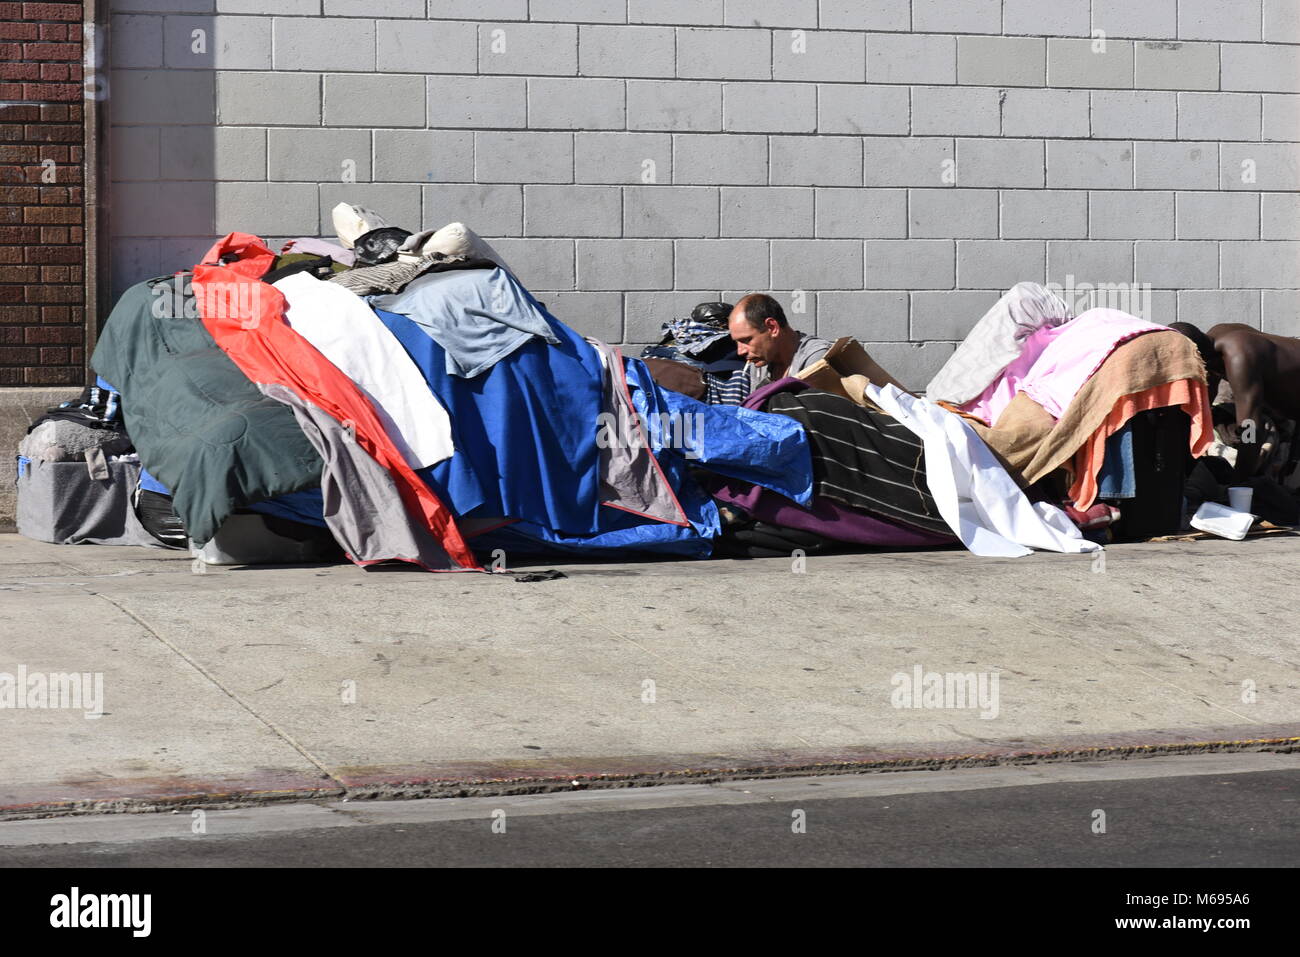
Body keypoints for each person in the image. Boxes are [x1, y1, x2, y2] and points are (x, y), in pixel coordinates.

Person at [1169, 321, 1300, 480]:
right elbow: (1202, 409)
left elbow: (1250, 426)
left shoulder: (1238, 356)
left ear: (1195, 355)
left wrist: (1240, 479)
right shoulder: (1215, 342)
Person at [728, 293, 833, 391]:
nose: (740, 351)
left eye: (746, 340)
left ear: (772, 327)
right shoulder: (760, 362)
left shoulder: (816, 359)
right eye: (737, 342)